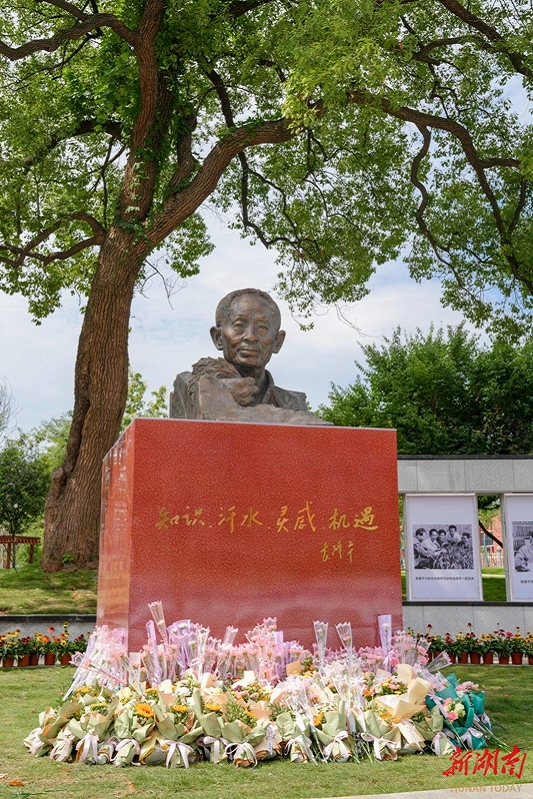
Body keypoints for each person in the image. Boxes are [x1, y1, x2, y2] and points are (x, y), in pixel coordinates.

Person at [169, 288, 325, 424]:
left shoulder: (293, 404)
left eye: (262, 328)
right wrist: (218, 393)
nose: (251, 337)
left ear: (277, 342)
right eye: (239, 326)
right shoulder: (189, 387)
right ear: (218, 337)